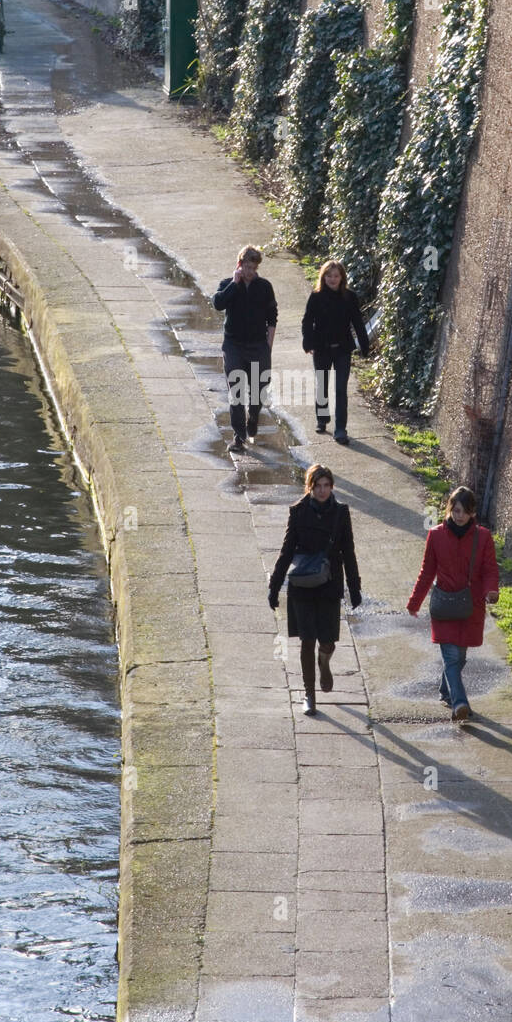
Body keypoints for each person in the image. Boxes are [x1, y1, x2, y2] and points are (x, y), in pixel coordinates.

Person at [268, 463, 361, 715]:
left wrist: (355, 586)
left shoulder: (341, 513)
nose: (322, 491)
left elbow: (348, 552)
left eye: (326, 486)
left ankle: (325, 660)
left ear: (332, 487)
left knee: (327, 640)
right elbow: (287, 550)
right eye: (317, 486)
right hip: (302, 585)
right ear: (310, 487)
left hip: (330, 584)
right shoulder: (298, 512)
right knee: (306, 641)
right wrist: (274, 586)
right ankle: (309, 694)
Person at [406, 485, 499, 722]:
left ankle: (446, 690)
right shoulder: (436, 535)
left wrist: (491, 591)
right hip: (444, 605)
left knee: (460, 657)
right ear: (449, 510)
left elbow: (489, 569)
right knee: (451, 656)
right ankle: (460, 703)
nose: (459, 516)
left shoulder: (483, 537)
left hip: (471, 605)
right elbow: (427, 572)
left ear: (472, 514)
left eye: (464, 512)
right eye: (455, 510)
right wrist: (415, 601)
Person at [213, 245, 278, 453]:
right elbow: (218, 303)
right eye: (247, 267)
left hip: (258, 345)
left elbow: (272, 318)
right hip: (234, 345)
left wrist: (268, 347)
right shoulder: (228, 284)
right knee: (237, 391)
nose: (250, 272)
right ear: (240, 265)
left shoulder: (265, 287)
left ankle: (254, 418)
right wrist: (234, 282)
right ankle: (239, 437)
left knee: (259, 389)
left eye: (254, 268)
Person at [301, 259, 369, 445]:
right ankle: (322, 419)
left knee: (340, 389)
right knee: (322, 385)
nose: (332, 279)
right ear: (323, 277)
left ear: (342, 278)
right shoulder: (316, 297)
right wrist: (308, 343)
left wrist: (364, 345)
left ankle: (340, 429)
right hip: (321, 348)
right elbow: (307, 321)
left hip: (342, 348)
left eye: (336, 276)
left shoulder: (350, 297)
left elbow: (357, 322)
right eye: (329, 276)